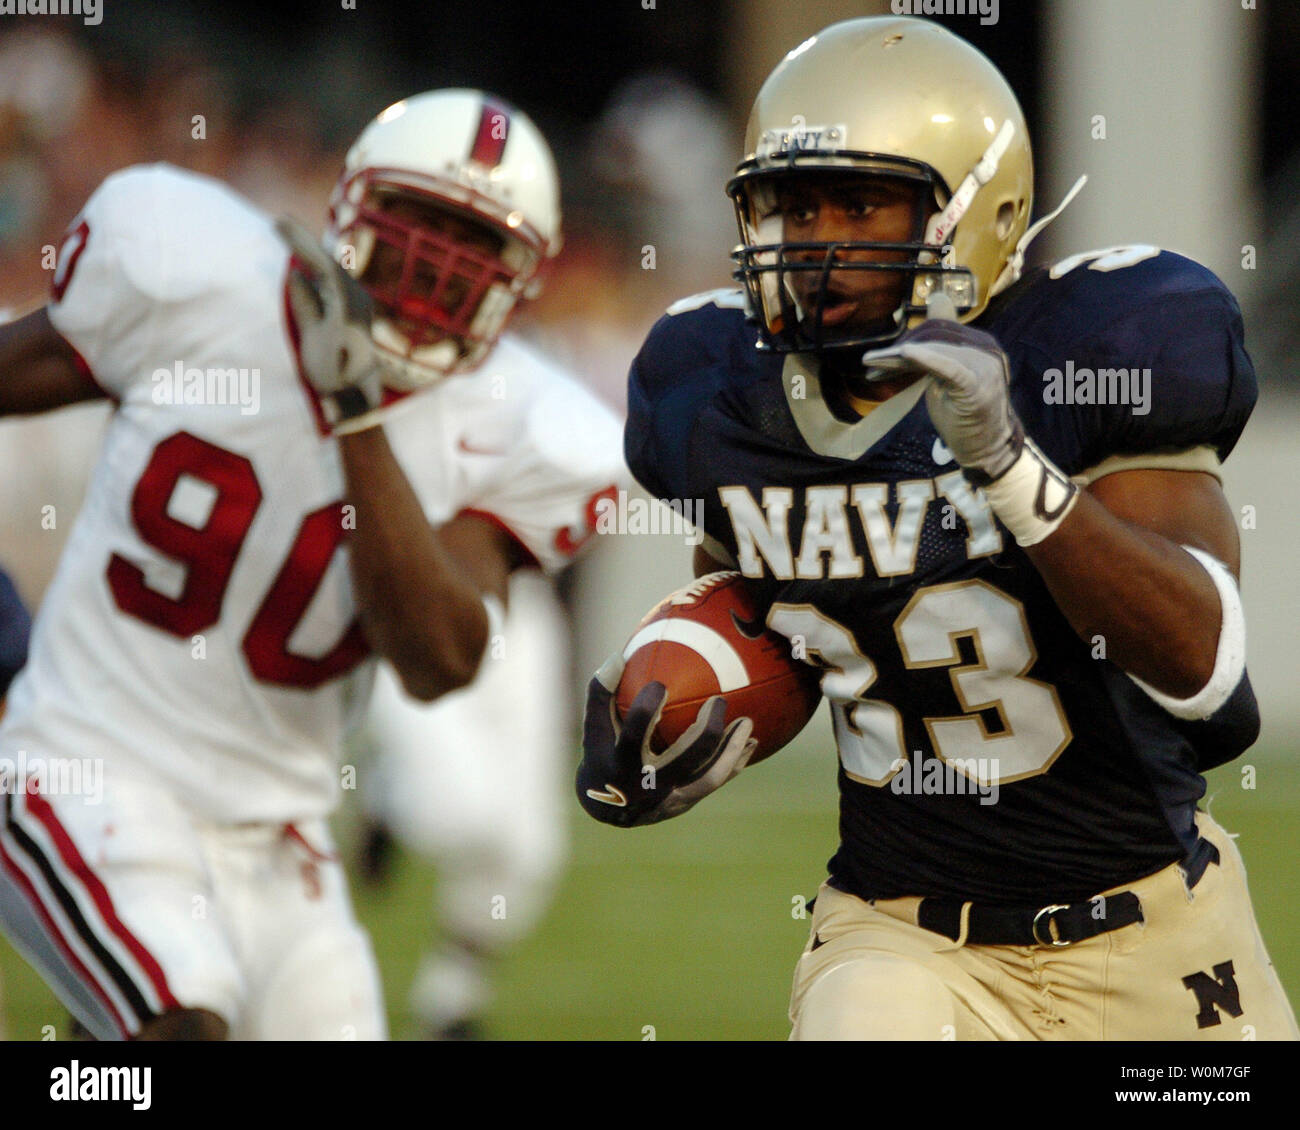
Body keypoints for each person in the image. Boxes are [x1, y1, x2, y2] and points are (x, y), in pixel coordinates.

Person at [576, 16, 1299, 1041]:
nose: (817, 245)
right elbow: (773, 629)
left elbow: (1209, 688)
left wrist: (1005, 464)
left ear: (975, 210)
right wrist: (666, 726)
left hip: (1155, 926)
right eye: (791, 204)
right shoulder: (721, 396)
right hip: (902, 935)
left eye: (861, 204)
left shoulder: (1096, 351)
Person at [0, 88, 623, 1040]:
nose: (435, 266)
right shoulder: (201, 272)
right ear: (351, 207)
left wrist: (355, 414)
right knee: (176, 1031)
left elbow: (438, 662)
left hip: (282, 841)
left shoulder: (524, 424)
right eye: (419, 220)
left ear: (521, 279)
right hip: (84, 765)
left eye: (476, 245)